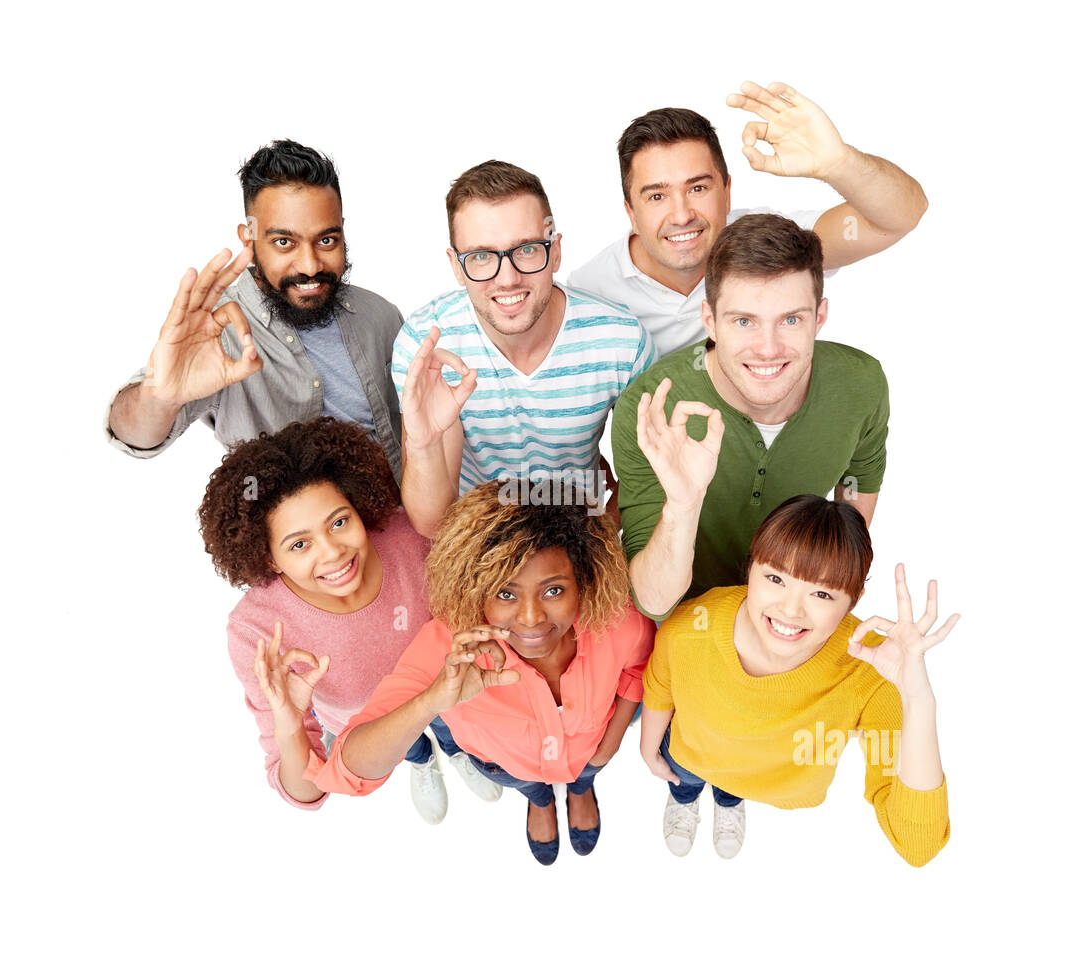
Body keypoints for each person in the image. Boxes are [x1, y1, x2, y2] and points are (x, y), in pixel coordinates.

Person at [303, 479, 655, 865]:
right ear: (476, 589)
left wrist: (606, 750)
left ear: (582, 581)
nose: (531, 617)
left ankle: (580, 789)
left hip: (590, 753)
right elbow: (347, 770)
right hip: (506, 766)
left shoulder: (618, 622)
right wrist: (433, 700)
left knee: (583, 775)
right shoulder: (447, 646)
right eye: (505, 594)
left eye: (553, 590)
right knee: (531, 788)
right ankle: (539, 800)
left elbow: (637, 672)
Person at [197, 417, 502, 819]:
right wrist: (288, 724)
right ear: (270, 558)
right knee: (409, 742)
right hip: (368, 720)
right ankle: (422, 761)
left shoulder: (411, 536)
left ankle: (454, 749)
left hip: (449, 690)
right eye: (300, 544)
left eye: (339, 522)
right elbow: (308, 793)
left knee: (447, 725)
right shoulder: (256, 630)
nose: (333, 552)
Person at [638, 494, 957, 865]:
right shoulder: (692, 625)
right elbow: (661, 683)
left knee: (729, 791)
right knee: (685, 783)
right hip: (689, 758)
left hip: (771, 783)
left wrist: (917, 698)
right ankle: (685, 799)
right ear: (750, 567)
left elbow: (918, 847)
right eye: (775, 577)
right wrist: (648, 749)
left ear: (853, 600)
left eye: (822, 592)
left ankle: (729, 800)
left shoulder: (871, 668)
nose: (790, 610)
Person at [613, 211, 888, 620]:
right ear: (709, 321)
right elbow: (654, 603)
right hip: (687, 633)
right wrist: (683, 505)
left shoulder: (861, 384)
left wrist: (839, 582)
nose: (767, 348)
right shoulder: (654, 409)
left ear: (820, 317)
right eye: (744, 321)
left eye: (791, 320)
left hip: (795, 622)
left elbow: (859, 484)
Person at [107, 140, 405, 478]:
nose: (309, 265)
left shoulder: (381, 317)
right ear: (248, 239)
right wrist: (159, 397)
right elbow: (136, 436)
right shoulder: (216, 328)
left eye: (326, 240)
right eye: (284, 242)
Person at [392, 160, 657, 537]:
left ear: (555, 252)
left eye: (528, 250)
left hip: (580, 534)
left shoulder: (622, 343)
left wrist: (602, 533)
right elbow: (432, 524)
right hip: (474, 539)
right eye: (481, 256)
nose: (508, 278)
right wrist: (425, 445)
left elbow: (643, 487)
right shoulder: (426, 348)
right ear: (456, 266)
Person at [569, 83, 928, 356]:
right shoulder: (590, 290)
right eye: (657, 196)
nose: (681, 216)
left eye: (697, 188)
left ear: (727, 192)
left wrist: (839, 164)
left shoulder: (771, 240)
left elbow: (896, 218)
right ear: (630, 212)